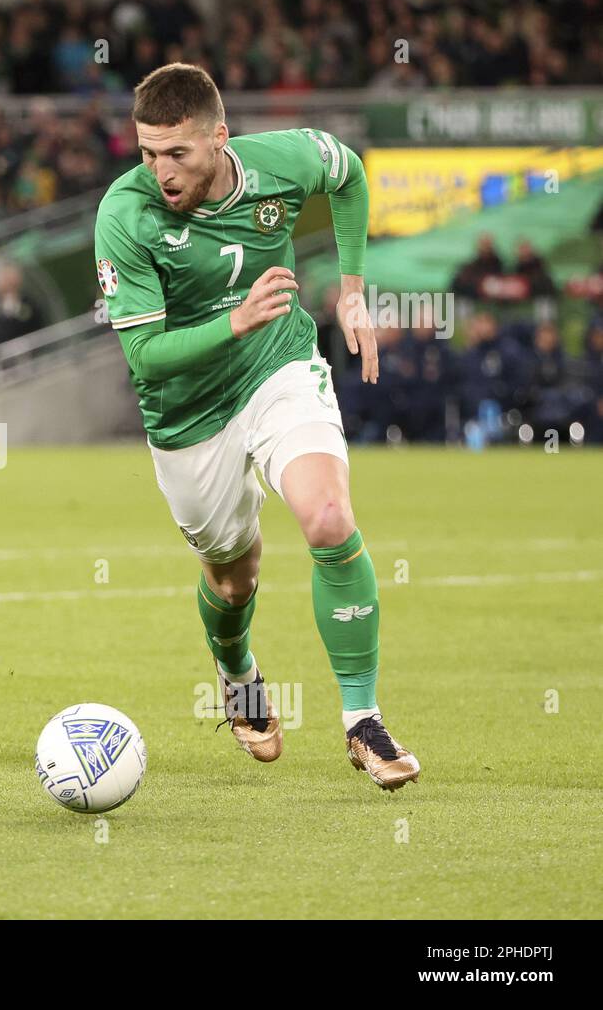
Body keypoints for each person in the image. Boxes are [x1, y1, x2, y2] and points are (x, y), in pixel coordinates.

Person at [94, 63, 420, 791]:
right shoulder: (125, 215)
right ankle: (237, 672)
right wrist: (232, 320)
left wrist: (355, 286)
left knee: (330, 517)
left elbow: (350, 173)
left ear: (219, 137)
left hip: (277, 366)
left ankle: (362, 721)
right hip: (184, 412)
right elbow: (146, 357)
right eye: (147, 153)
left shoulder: (282, 162)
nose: (161, 171)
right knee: (233, 579)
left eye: (177, 153)